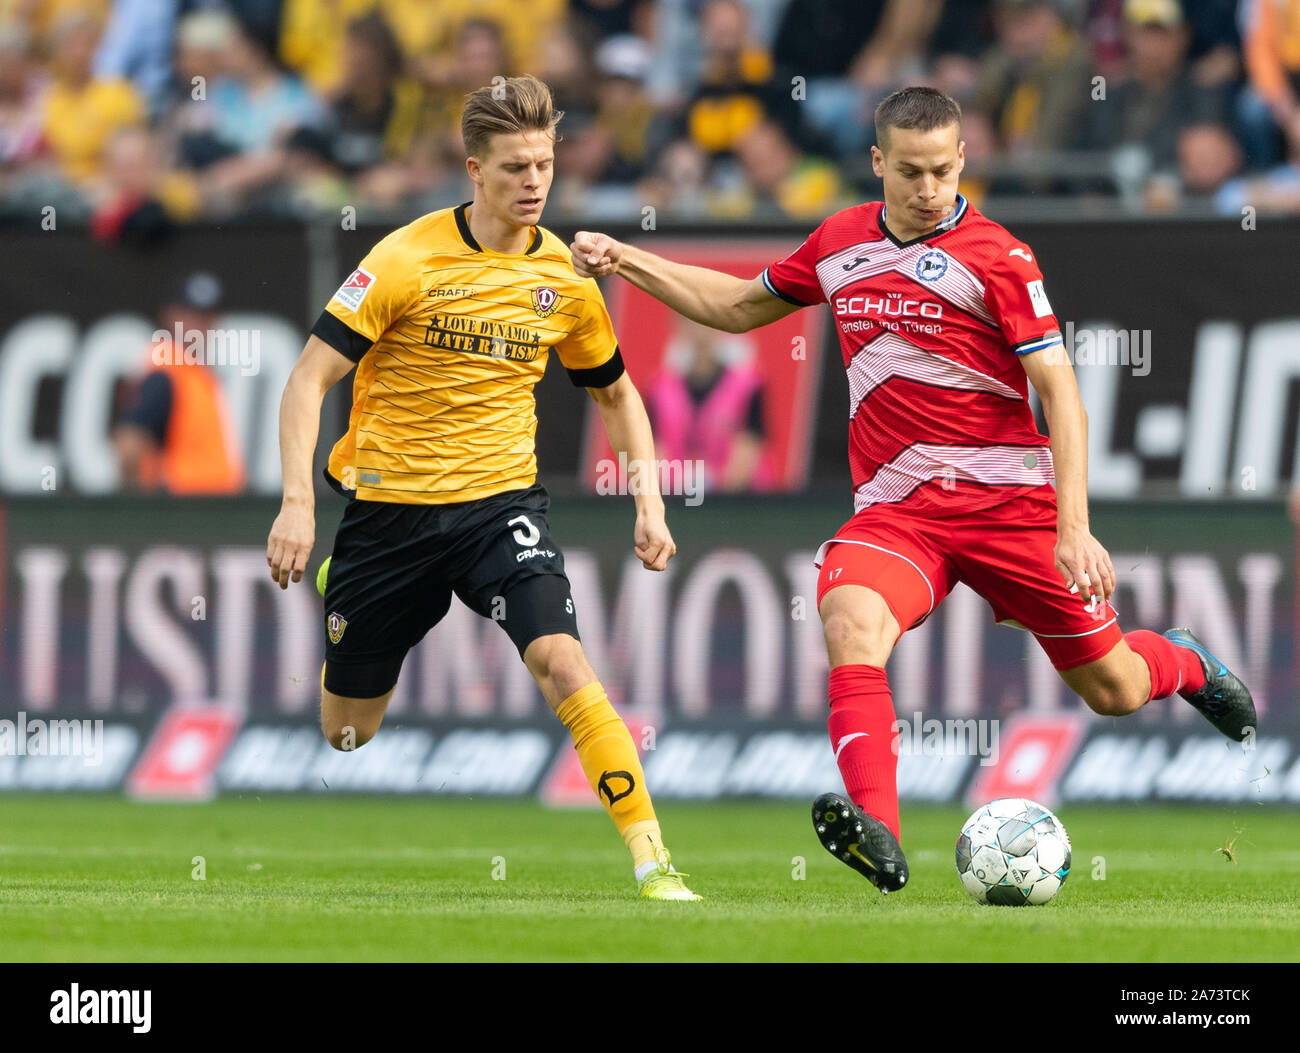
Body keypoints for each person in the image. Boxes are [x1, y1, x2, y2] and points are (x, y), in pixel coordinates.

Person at [570, 85, 1257, 894]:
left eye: (941, 170)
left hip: (1013, 511)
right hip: (902, 514)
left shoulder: (1001, 256)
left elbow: (1060, 393)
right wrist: (628, 259)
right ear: (876, 164)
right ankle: (882, 839)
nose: (928, 188)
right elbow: (736, 305)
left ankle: (1185, 660)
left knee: (1115, 687)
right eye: (910, 172)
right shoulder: (838, 240)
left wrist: (1074, 526)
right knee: (849, 617)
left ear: (962, 159)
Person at [265, 74, 700, 902]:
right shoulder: (404, 257)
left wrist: (649, 500)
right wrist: (297, 501)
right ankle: (342, 587)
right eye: (513, 168)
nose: (534, 182)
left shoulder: (567, 282)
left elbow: (615, 392)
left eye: (543, 164)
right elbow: (306, 379)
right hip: (389, 516)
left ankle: (653, 860)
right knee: (348, 733)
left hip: (501, 509)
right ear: (474, 170)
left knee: (565, 665)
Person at [113, 271, 246, 494]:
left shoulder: (193, 373)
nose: (201, 326)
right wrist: (138, 510)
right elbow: (129, 444)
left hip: (208, 512)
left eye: (208, 317)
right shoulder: (165, 372)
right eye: (192, 315)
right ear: (170, 316)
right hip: (182, 513)